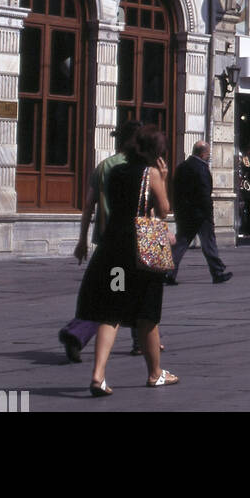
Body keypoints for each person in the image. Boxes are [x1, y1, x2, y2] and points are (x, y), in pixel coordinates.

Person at [74, 125, 178, 395]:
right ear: (156, 152)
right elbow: (164, 211)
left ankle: (98, 375)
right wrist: (164, 179)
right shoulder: (152, 173)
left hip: (112, 247)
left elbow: (100, 204)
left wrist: (83, 239)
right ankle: (155, 374)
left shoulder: (114, 171)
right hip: (141, 249)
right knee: (147, 313)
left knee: (111, 310)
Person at [60, 120, 141, 364]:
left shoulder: (104, 166)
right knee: (125, 292)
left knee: (107, 291)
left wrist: (82, 240)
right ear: (134, 141)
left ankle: (140, 339)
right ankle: (79, 333)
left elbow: (88, 206)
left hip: (106, 241)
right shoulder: (140, 169)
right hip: (130, 243)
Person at [167, 141, 233, 286]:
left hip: (184, 213)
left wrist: (178, 211)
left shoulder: (182, 167)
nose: (208, 156)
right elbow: (204, 194)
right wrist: (209, 214)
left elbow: (176, 192)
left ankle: (169, 272)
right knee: (208, 242)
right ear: (203, 153)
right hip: (201, 214)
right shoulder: (201, 169)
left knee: (181, 243)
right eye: (208, 154)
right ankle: (217, 272)